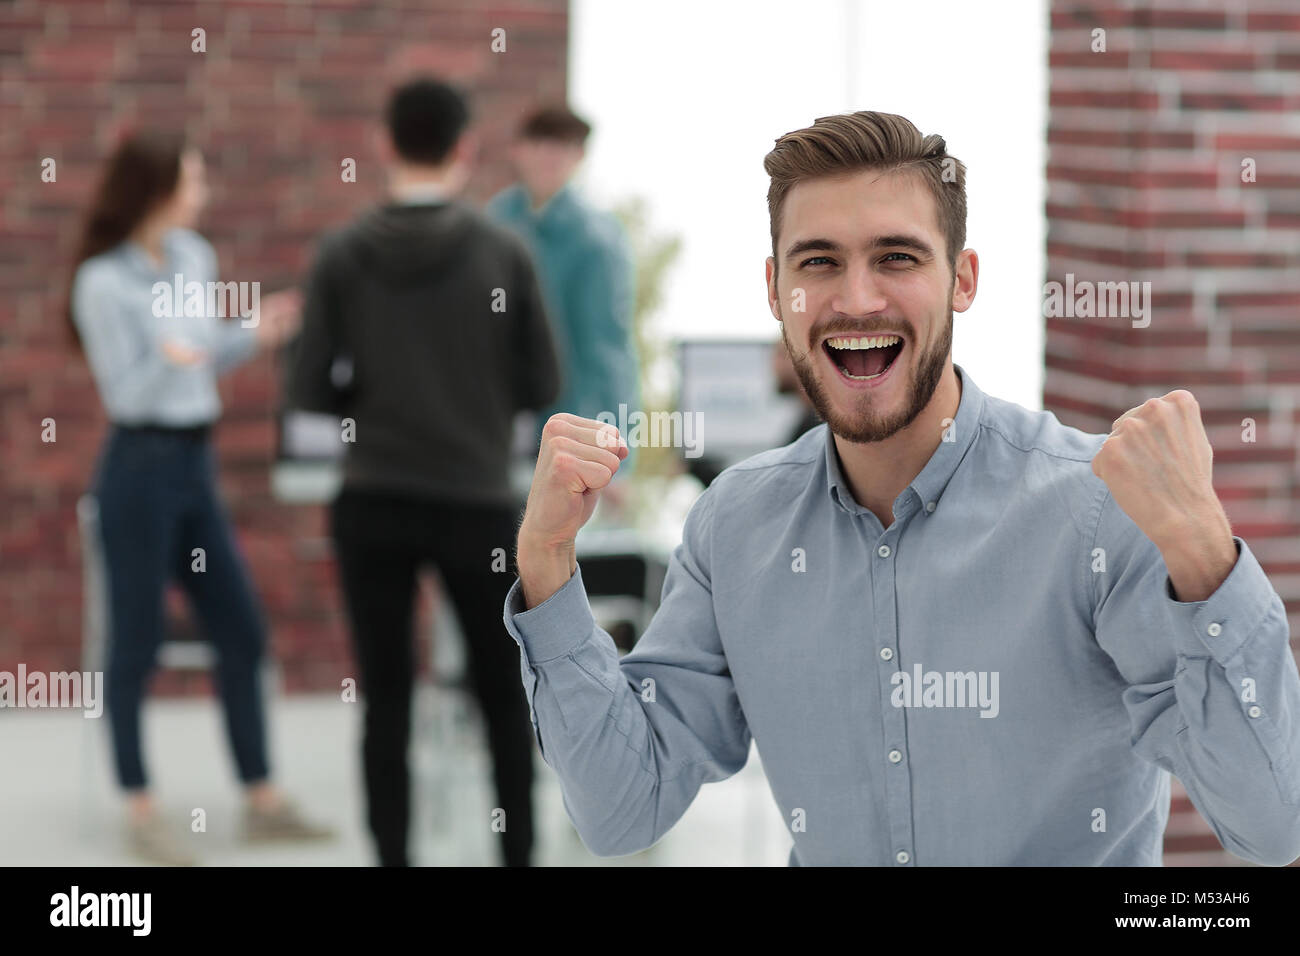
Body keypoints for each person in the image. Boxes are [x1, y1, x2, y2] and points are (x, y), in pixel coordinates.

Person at [502, 111, 1300, 866]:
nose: (857, 299)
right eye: (820, 262)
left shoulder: (1093, 511)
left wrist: (1205, 558)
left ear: (962, 278)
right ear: (777, 290)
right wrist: (545, 563)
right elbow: (619, 808)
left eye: (898, 257)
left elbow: (1271, 824)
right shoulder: (734, 527)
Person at [286, 77, 561, 867]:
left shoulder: (340, 253)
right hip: (476, 503)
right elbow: (543, 382)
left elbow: (307, 390)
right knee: (501, 695)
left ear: (384, 144)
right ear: (466, 148)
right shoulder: (503, 251)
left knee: (385, 700)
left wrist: (365, 392)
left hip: (371, 501)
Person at [68, 129, 331, 866]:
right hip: (136, 470)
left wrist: (252, 333)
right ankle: (140, 806)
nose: (203, 192)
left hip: (193, 467)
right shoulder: (102, 282)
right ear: (153, 190)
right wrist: (176, 354)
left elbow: (203, 351)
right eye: (191, 180)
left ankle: (261, 799)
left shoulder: (192, 257)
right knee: (138, 640)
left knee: (240, 630)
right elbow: (129, 387)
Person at [485, 105, 639, 492]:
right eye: (539, 143)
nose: (549, 156)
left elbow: (607, 349)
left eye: (563, 146)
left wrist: (619, 455)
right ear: (518, 150)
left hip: (569, 435)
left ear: (579, 156)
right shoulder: (492, 223)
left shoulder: (598, 240)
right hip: (491, 435)